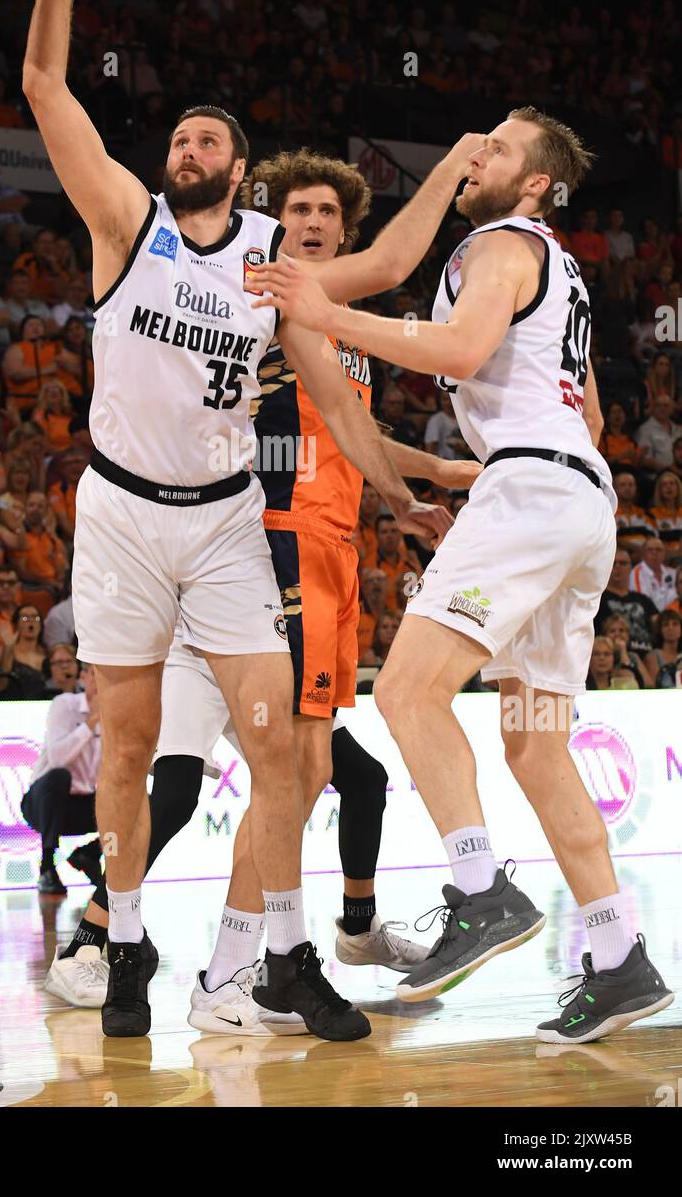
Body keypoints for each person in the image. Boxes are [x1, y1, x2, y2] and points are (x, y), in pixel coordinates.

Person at [22, 0, 444, 1043]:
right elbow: (46, 83)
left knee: (285, 753)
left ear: (240, 169)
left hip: (218, 520)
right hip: (115, 512)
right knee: (129, 746)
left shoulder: (274, 265)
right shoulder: (124, 222)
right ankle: (129, 938)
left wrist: (396, 485)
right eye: (183, 135)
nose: (190, 145)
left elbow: (347, 369)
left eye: (211, 138)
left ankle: (281, 961)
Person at [252, 106, 674, 1041]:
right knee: (533, 743)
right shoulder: (559, 268)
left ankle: (480, 891)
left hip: (525, 494)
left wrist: (327, 312)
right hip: (580, 504)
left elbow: (456, 351)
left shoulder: (499, 245)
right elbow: (593, 415)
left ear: (532, 182)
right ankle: (619, 959)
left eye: (498, 147)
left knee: (407, 692)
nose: (477, 154)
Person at [45, 145, 475, 1021]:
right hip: (263, 546)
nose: (311, 225)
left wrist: (422, 475)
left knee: (271, 770)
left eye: (328, 215)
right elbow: (387, 273)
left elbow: (351, 428)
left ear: (342, 229)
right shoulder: (267, 297)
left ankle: (275, 945)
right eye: (300, 212)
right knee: (253, 766)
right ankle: (208, 961)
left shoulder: (332, 327)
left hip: (316, 554)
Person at [21, 663, 104, 898]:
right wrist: (93, 721)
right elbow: (58, 758)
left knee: (143, 802)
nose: (105, 683)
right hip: (42, 803)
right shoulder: (65, 705)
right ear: (84, 677)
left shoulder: (116, 715)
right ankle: (47, 867)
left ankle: (91, 853)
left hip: (84, 804)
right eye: (98, 675)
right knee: (59, 776)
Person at [595, 546, 659, 657]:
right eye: (613, 563)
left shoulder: (644, 600)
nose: (617, 566)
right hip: (612, 656)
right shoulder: (597, 599)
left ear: (630, 567)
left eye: (623, 563)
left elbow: (659, 627)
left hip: (648, 656)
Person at [0, 603, 48, 700]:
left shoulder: (48, 654)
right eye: (25, 618)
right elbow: (0, 686)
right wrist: (8, 649)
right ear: (16, 625)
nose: (31, 621)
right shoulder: (6, 649)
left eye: (35, 618)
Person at [599, 614, 650, 688]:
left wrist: (623, 650)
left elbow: (649, 684)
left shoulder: (633, 656)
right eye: (612, 631)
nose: (617, 634)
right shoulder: (600, 656)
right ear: (605, 635)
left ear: (628, 635)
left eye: (621, 630)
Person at [629, 536, 677, 609]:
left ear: (665, 554)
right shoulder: (637, 573)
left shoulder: (673, 573)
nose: (654, 553)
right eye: (650, 550)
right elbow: (642, 601)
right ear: (643, 553)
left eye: (658, 550)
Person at [645, 609, 682, 688]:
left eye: (675, 624)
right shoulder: (653, 656)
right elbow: (655, 687)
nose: (670, 628)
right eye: (666, 625)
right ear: (660, 630)